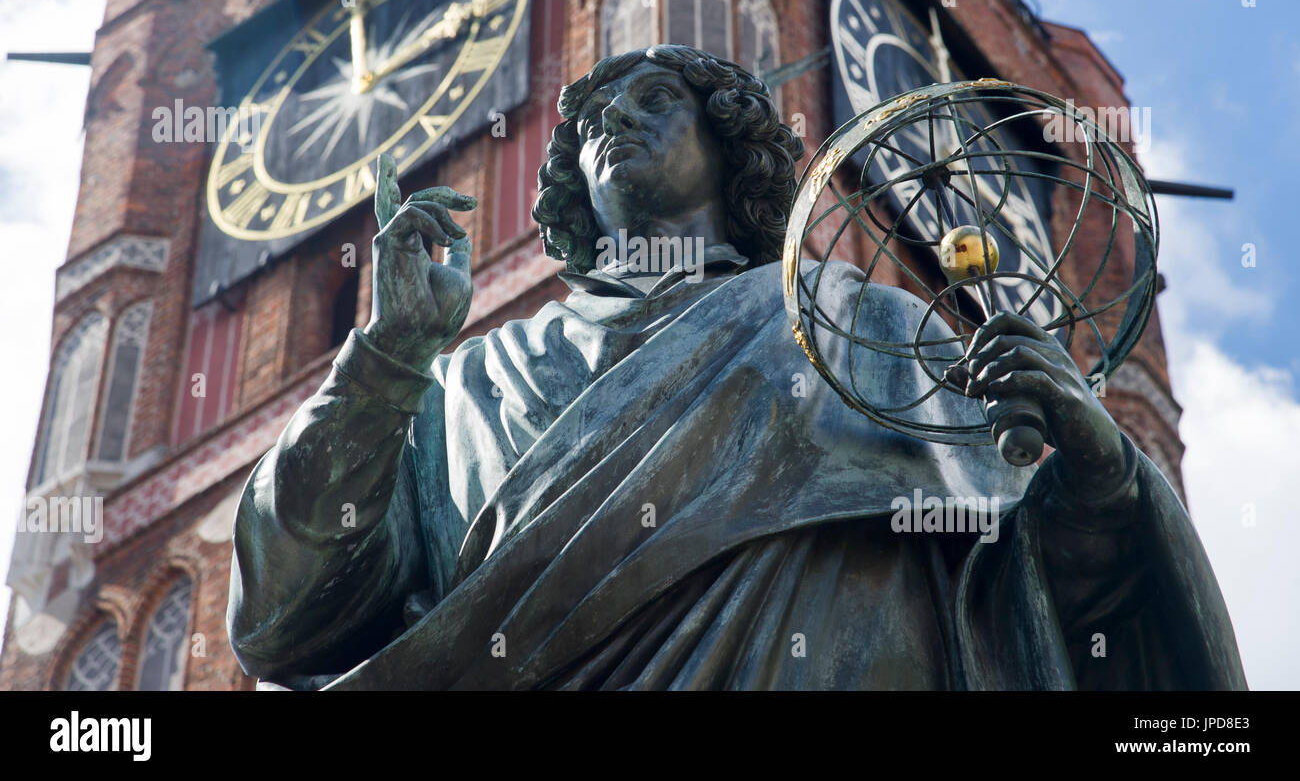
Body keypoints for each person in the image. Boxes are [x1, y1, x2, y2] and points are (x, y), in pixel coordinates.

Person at [227, 44, 1246, 690]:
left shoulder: (860, 321)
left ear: (733, 150)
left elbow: (1033, 581)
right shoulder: (458, 383)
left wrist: (1101, 472)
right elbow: (284, 621)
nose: (610, 125)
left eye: (654, 99)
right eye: (585, 126)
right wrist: (386, 357)